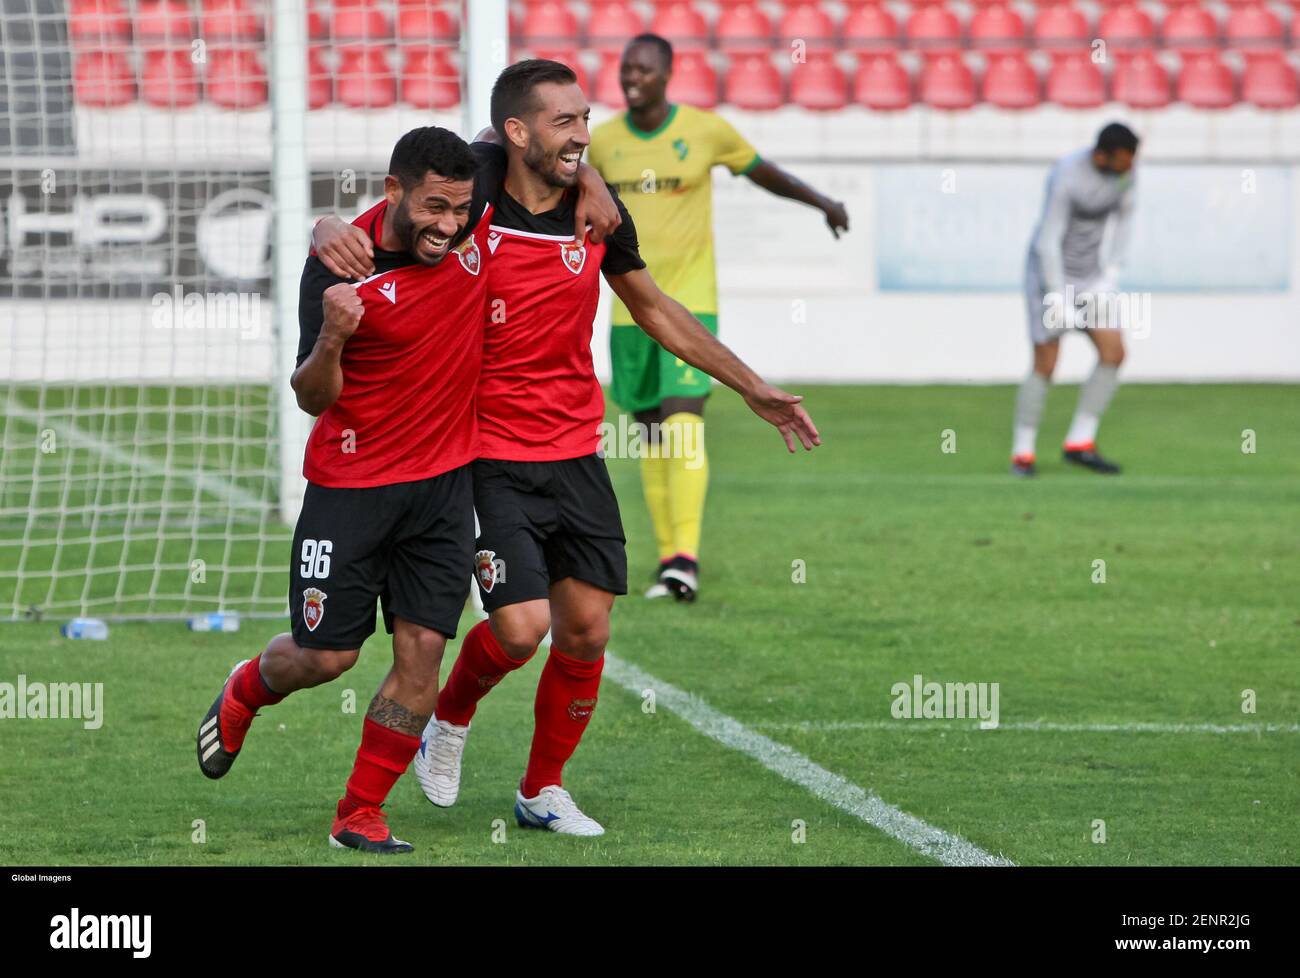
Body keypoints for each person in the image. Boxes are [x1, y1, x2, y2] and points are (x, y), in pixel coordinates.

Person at [312, 60, 821, 836]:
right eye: (564, 122)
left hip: (575, 449)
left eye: (585, 119)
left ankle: (541, 790)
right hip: (482, 452)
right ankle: (447, 721)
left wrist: (749, 384)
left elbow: (653, 306)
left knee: (586, 629)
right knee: (520, 627)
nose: (583, 134)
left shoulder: (599, 214)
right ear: (516, 134)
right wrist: (324, 229)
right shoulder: (474, 191)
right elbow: (395, 218)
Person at [588, 33, 850, 600]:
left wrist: (822, 202)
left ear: (667, 73)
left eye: (643, 69)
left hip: (691, 304)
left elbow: (763, 172)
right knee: (651, 433)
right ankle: (668, 560)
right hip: (629, 310)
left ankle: (686, 559)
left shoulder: (705, 131)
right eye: (626, 69)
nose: (632, 78)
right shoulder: (603, 143)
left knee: (684, 421)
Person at [1013, 122, 1139, 477]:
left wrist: (1111, 273)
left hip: (1089, 277)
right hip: (1047, 273)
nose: (1129, 167)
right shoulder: (1067, 175)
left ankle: (1080, 443)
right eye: (1122, 160)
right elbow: (1048, 240)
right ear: (1101, 156)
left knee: (1114, 353)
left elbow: (1126, 221)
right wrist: (1056, 297)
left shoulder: (1127, 172)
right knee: (1047, 361)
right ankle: (1022, 453)